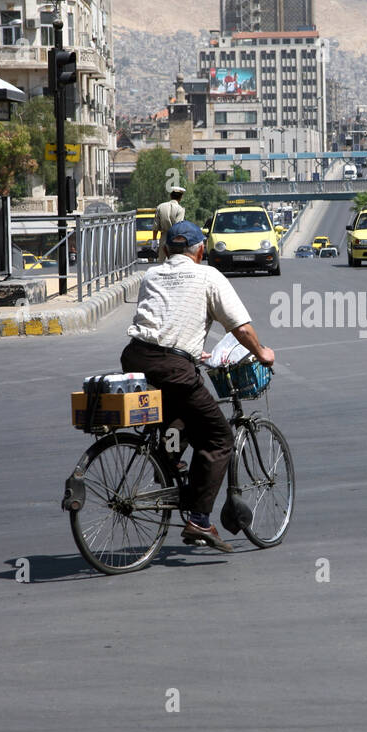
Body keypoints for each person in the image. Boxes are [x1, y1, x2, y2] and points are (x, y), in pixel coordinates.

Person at [120, 221, 275, 553]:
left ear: (164, 250)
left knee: (185, 408)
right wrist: (262, 353)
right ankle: (200, 520)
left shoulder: (152, 275)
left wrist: (192, 352)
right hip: (174, 367)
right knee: (219, 437)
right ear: (200, 250)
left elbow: (163, 321)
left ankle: (169, 456)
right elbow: (240, 328)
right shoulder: (208, 276)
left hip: (135, 359)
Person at [153, 191, 186, 260]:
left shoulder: (160, 206)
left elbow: (155, 226)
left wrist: (154, 240)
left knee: (161, 261)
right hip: (175, 238)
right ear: (181, 198)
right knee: (175, 261)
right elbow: (178, 227)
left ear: (170, 196)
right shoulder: (180, 209)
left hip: (164, 237)